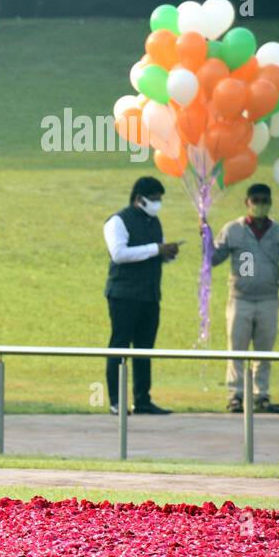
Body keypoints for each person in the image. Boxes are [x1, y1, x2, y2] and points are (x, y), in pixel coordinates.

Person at [206, 183, 279, 413]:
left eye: (264, 200)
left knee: (264, 351)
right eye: (255, 200)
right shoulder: (233, 230)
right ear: (247, 203)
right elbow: (214, 258)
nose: (260, 205)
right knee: (236, 349)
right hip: (240, 299)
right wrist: (205, 239)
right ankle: (235, 395)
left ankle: (260, 395)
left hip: (268, 300)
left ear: (270, 203)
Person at [103, 176, 179, 415]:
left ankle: (142, 399)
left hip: (149, 295)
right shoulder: (118, 221)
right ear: (139, 199)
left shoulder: (154, 222)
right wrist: (156, 249)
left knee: (145, 349)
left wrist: (168, 253)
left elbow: (154, 252)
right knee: (120, 346)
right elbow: (119, 254)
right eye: (154, 199)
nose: (157, 204)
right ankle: (116, 401)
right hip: (123, 295)